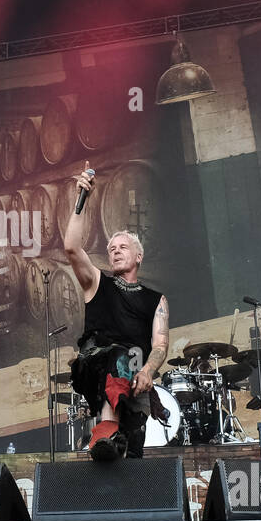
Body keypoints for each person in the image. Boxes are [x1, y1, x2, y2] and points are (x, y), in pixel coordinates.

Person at [64, 162, 170, 459]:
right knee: (118, 354)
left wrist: (149, 371)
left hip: (136, 377)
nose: (115, 250)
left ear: (139, 256)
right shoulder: (98, 283)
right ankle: (105, 432)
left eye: (122, 246)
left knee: (133, 452)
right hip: (96, 366)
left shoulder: (156, 300)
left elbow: (160, 345)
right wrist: (81, 199)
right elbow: (72, 248)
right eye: (111, 247)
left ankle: (117, 443)